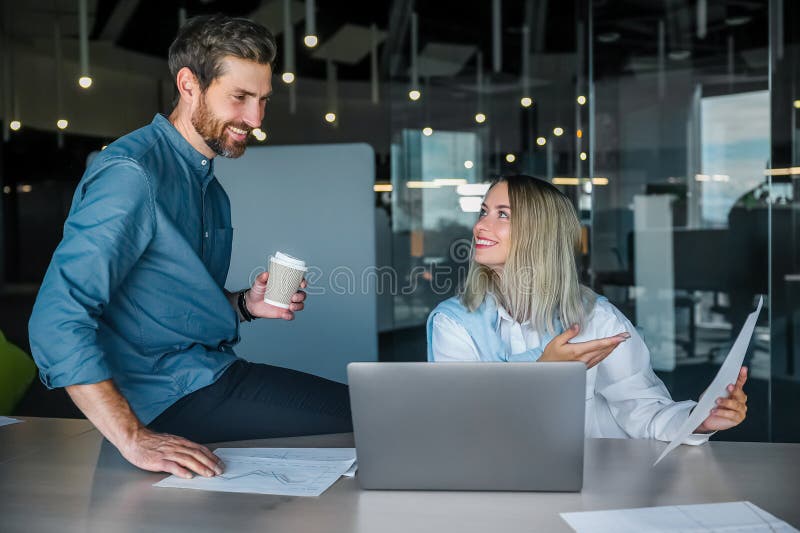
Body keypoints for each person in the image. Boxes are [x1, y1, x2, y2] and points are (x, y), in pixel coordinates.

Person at [28, 15, 351, 481]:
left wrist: (244, 304)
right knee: (369, 419)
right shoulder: (131, 174)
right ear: (189, 84)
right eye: (239, 98)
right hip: (169, 396)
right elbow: (55, 319)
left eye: (262, 101)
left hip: (209, 374)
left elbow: (167, 304)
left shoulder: (209, 187)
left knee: (365, 415)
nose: (256, 119)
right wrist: (130, 436)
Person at [427, 175, 748, 442]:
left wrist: (699, 419)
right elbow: (461, 423)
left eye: (503, 214)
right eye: (483, 212)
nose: (480, 226)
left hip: (590, 487)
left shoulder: (597, 318)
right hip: (493, 482)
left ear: (540, 232)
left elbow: (642, 408)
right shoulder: (453, 323)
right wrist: (541, 372)